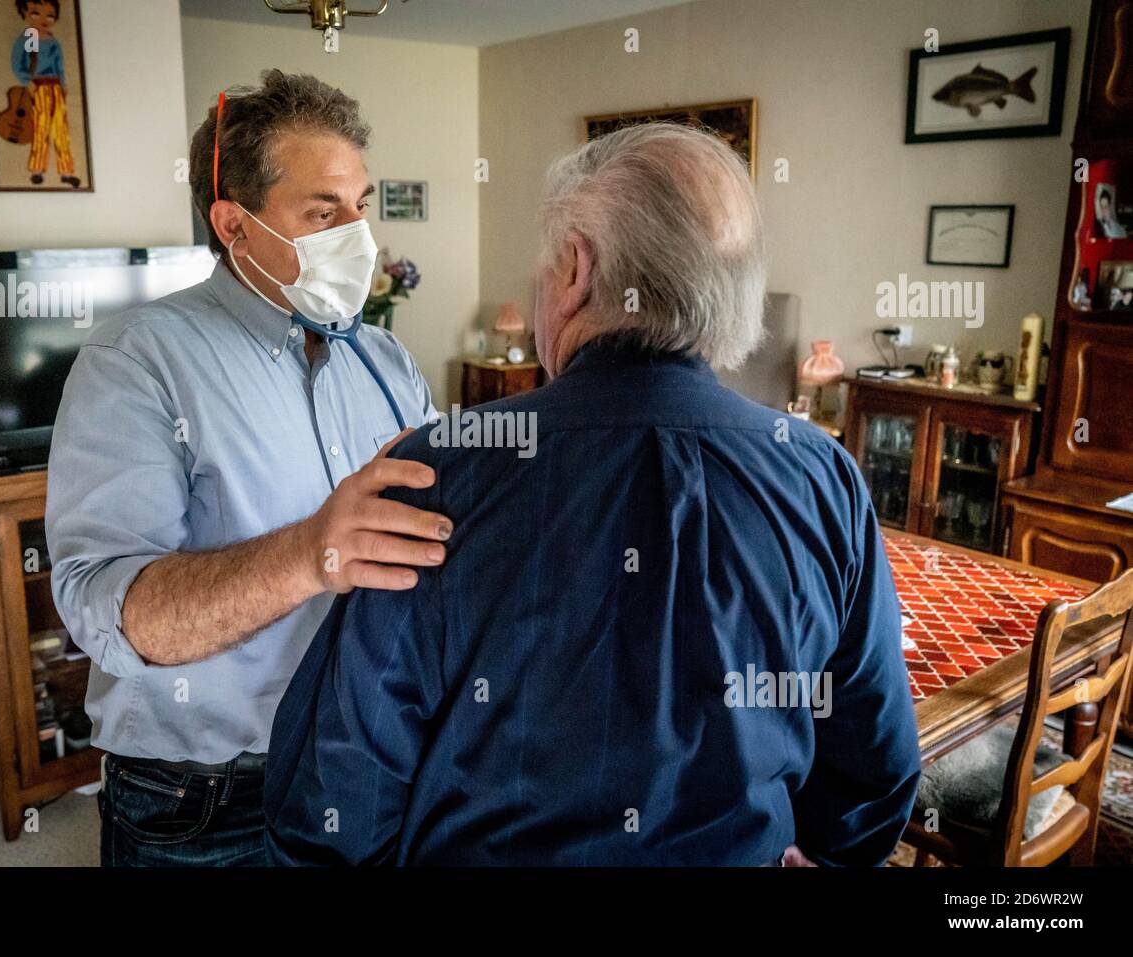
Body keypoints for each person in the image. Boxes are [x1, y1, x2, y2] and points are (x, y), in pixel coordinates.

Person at [262, 123, 922, 866]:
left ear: (575, 269)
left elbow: (335, 799)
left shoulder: (432, 474)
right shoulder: (821, 475)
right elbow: (873, 770)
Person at [46, 70, 451, 866]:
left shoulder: (385, 361)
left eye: (361, 206)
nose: (358, 237)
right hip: (205, 802)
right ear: (234, 224)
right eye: (323, 213)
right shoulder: (137, 361)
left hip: (364, 768)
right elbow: (109, 611)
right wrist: (310, 553)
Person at [11, 0, 79, 188]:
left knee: (61, 129)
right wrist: (27, 81)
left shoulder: (53, 41)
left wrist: (63, 85)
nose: (43, 19)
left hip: (55, 87)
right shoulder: (31, 38)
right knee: (41, 128)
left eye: (50, 16)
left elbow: (59, 66)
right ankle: (37, 169)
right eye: (36, 13)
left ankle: (66, 171)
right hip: (39, 88)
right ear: (25, 14)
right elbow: (19, 63)